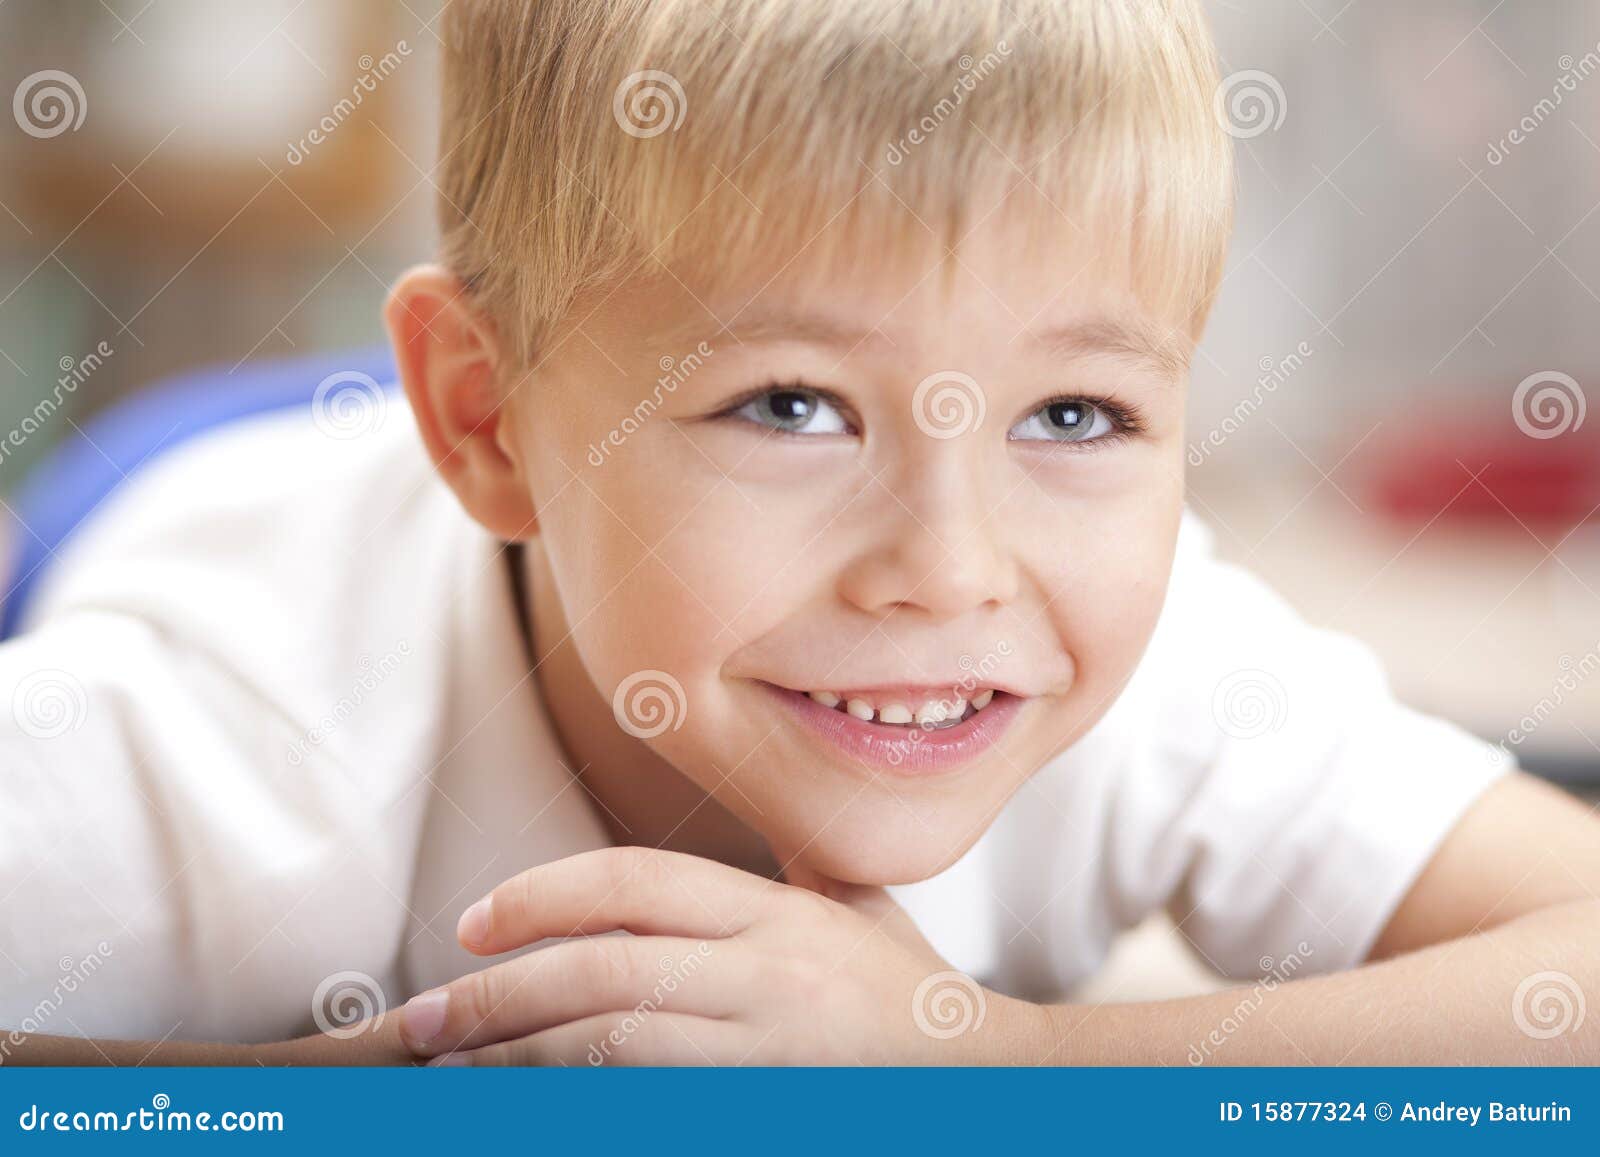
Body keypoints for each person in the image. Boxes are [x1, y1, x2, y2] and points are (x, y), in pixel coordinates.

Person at [3, 0, 1596, 1065]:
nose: (953, 567)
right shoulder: (231, 751)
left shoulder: (1147, 661)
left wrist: (990, 1048)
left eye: (1075, 415)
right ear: (487, 424)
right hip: (191, 487)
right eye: (793, 406)